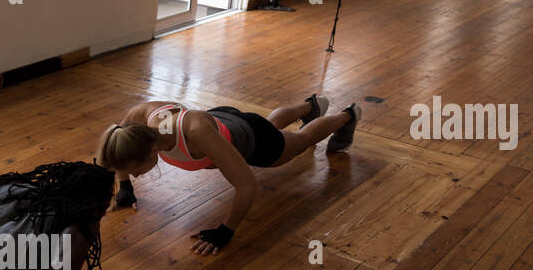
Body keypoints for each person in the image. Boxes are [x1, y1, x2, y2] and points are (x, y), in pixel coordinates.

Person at [95, 94, 360, 255]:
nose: (137, 177)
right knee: (271, 125)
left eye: (136, 173)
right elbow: (113, 158)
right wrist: (125, 186)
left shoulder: (196, 135)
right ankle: (310, 105)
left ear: (153, 150)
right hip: (225, 122)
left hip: (253, 140)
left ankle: (347, 115)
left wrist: (225, 231)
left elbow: (247, 187)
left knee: (300, 141)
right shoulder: (136, 122)